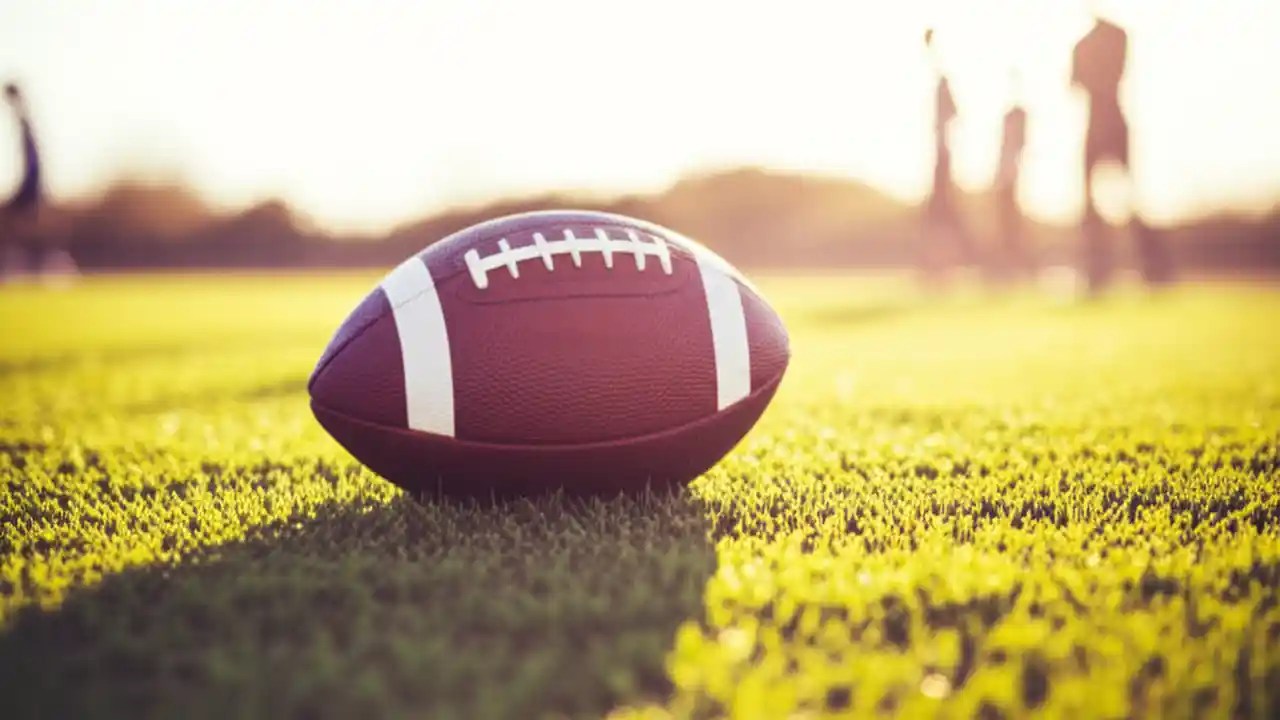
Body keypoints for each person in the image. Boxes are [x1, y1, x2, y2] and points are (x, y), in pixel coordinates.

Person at [1071, 13, 1171, 293]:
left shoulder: (1114, 35)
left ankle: (1155, 266)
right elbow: (1075, 84)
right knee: (1090, 204)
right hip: (1097, 125)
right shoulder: (1085, 42)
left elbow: (1103, 77)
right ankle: (1098, 271)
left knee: (1128, 198)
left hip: (1111, 123)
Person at [920, 28, 978, 282]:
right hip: (940, 155)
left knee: (942, 214)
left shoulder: (944, 82)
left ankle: (945, 268)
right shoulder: (939, 82)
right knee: (938, 214)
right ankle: (940, 267)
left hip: (944, 156)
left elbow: (956, 116)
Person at [994, 72, 1033, 280]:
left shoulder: (1020, 114)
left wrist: (1011, 171)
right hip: (1003, 175)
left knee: (1013, 223)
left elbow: (1021, 144)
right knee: (1004, 223)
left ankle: (1020, 267)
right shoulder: (1007, 114)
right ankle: (1008, 267)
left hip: (1014, 175)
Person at [2, 83, 42, 278]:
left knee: (11, 226)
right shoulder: (25, 125)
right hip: (30, 185)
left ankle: (14, 266)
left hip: (30, 185)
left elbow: (33, 162)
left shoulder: (26, 125)